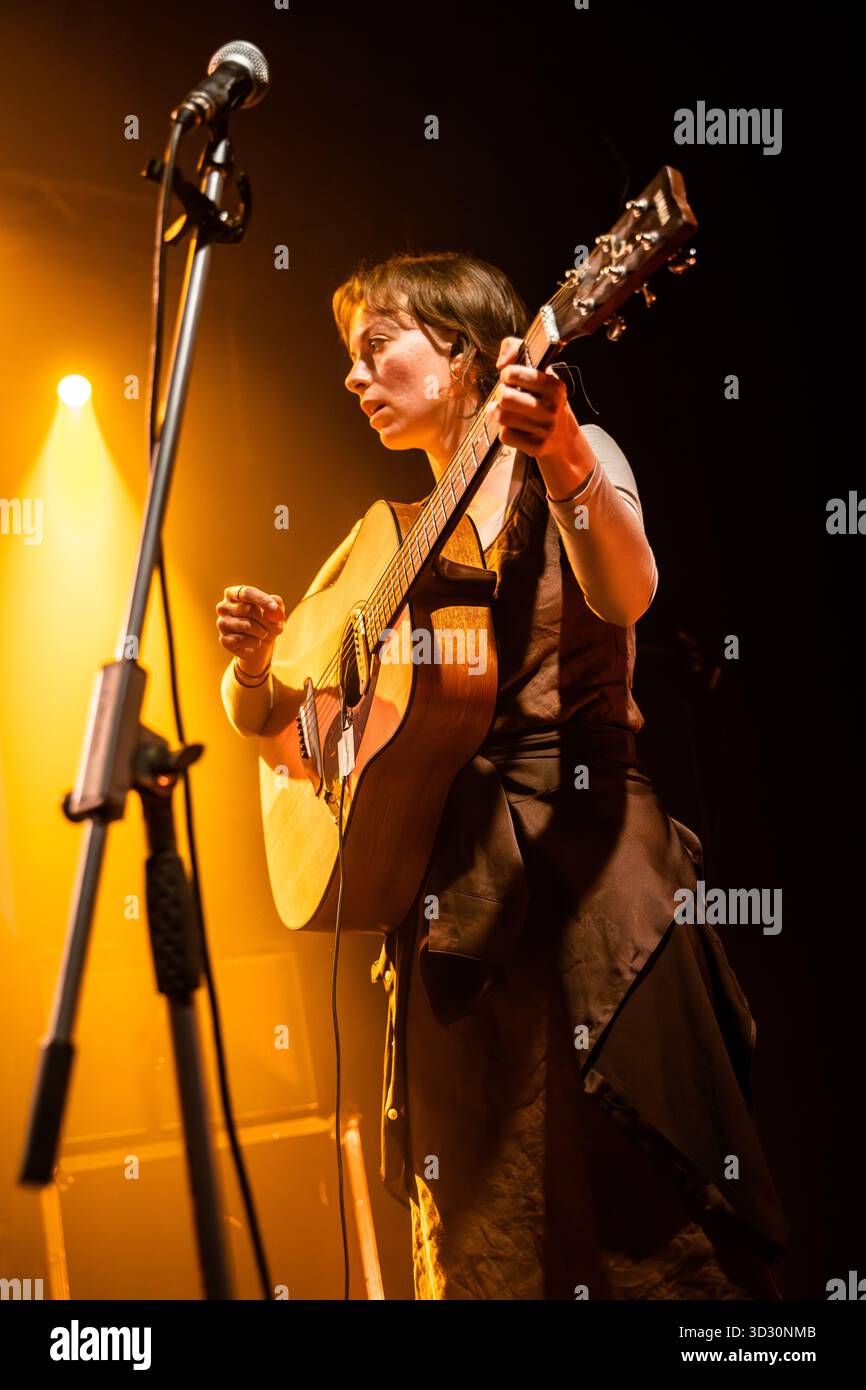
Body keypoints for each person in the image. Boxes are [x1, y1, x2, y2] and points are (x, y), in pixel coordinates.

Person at [216, 251, 789, 1300]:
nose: (353, 376)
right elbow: (286, 741)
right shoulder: (375, 543)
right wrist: (254, 672)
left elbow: (626, 592)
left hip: (585, 888)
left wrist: (566, 452)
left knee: (641, 1226)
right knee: (487, 1242)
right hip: (453, 923)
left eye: (375, 345)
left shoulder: (565, 449)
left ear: (462, 348)